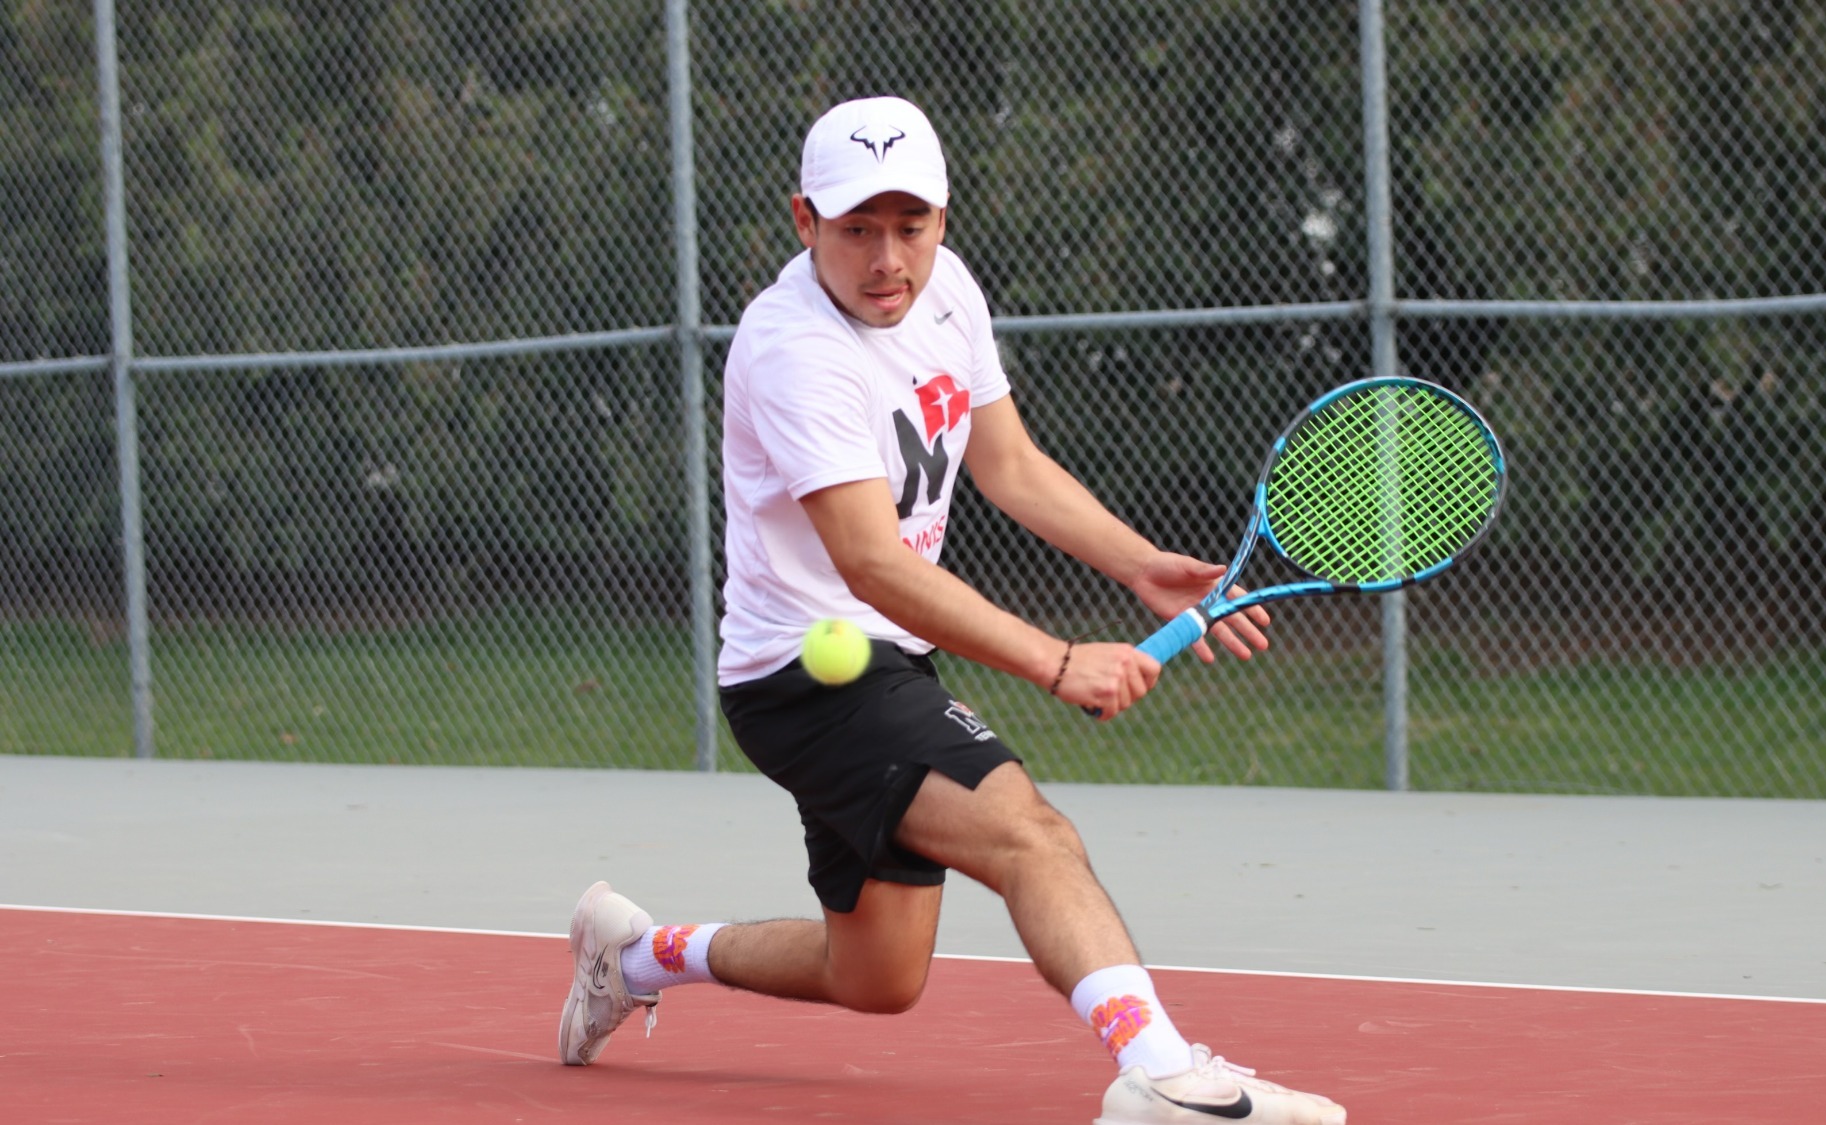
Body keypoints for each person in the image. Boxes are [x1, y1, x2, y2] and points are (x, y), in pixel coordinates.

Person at [558, 95, 1346, 1125]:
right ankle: (1160, 1075)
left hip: (884, 664)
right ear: (803, 221)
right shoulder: (793, 349)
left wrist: (1141, 563)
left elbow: (1008, 464)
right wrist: (1057, 661)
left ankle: (636, 958)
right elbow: (872, 563)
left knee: (875, 976)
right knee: (1031, 835)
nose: (886, 258)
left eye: (909, 226)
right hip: (801, 677)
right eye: (855, 229)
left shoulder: (945, 293)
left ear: (940, 218)